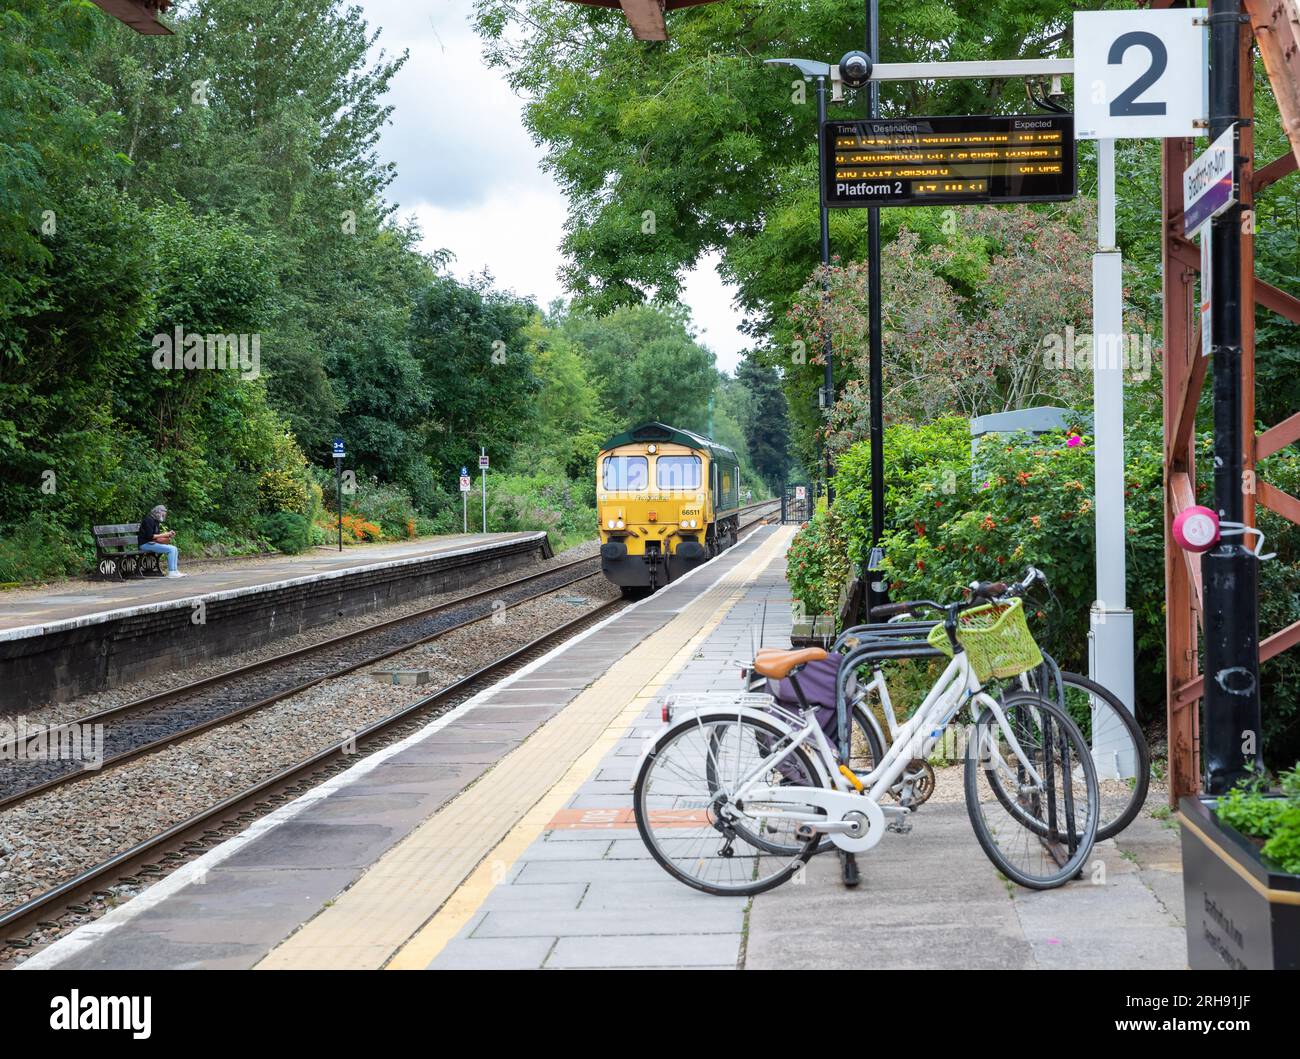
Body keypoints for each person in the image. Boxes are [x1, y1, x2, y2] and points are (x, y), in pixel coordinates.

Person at [138, 504, 185, 578]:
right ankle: (171, 572)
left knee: (174, 548)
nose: (163, 516)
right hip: (145, 544)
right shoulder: (148, 520)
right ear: (158, 513)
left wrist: (168, 535)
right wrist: (165, 534)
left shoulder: (156, 521)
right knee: (171, 549)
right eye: (162, 515)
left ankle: (175, 571)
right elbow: (150, 536)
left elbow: (157, 536)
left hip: (152, 543)